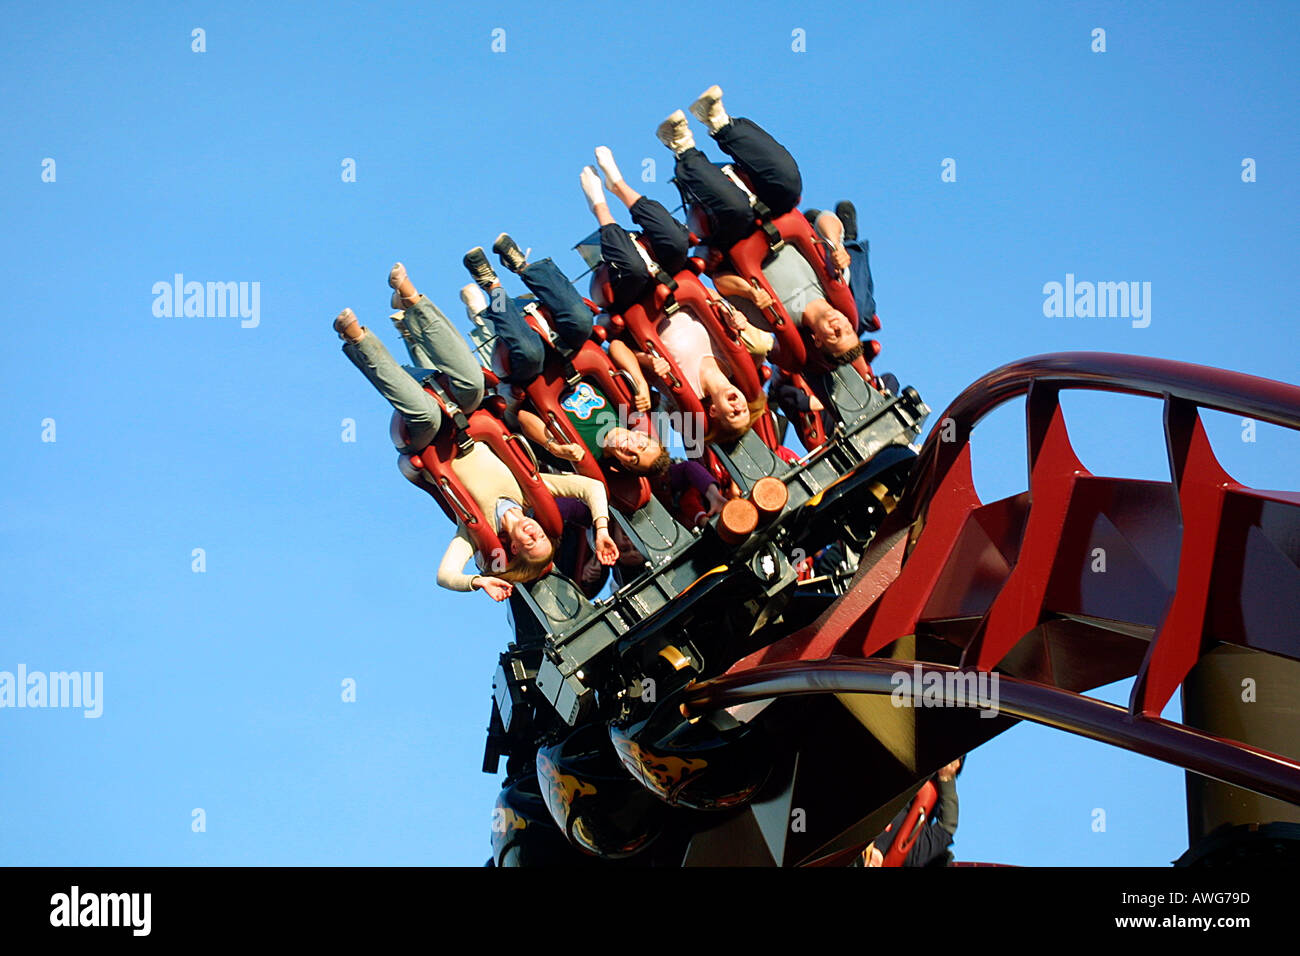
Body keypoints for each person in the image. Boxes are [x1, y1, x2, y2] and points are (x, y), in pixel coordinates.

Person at [333, 262, 619, 603]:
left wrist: (477, 582)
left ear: (514, 547)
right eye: (542, 537)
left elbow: (446, 574)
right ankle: (412, 301)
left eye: (530, 545)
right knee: (472, 383)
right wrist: (601, 529)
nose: (534, 535)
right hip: (469, 421)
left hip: (433, 439)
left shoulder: (473, 528)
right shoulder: (531, 493)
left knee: (424, 415)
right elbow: (592, 487)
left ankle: (358, 341)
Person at [658, 86, 866, 368]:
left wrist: (749, 292)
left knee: (736, 210)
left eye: (835, 336)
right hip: (776, 213)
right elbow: (827, 218)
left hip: (738, 235)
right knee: (789, 182)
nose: (838, 326)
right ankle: (719, 122)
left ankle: (681, 146)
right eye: (848, 330)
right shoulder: (837, 282)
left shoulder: (770, 320)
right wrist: (836, 245)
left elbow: (721, 282)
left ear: (818, 340)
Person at [459, 239, 669, 476]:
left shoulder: (581, 454)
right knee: (581, 322)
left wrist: (554, 447)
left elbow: (524, 417)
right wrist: (640, 381)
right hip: (568, 355)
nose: (630, 448)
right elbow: (618, 347)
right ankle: (523, 266)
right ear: (643, 434)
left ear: (623, 466)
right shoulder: (629, 408)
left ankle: (491, 286)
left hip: (533, 372)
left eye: (633, 458)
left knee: (530, 352)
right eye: (640, 445)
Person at [863, 757, 962, 867]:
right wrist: (947, 779)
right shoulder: (911, 848)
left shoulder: (910, 841)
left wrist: (947, 778)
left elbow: (945, 830)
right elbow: (946, 829)